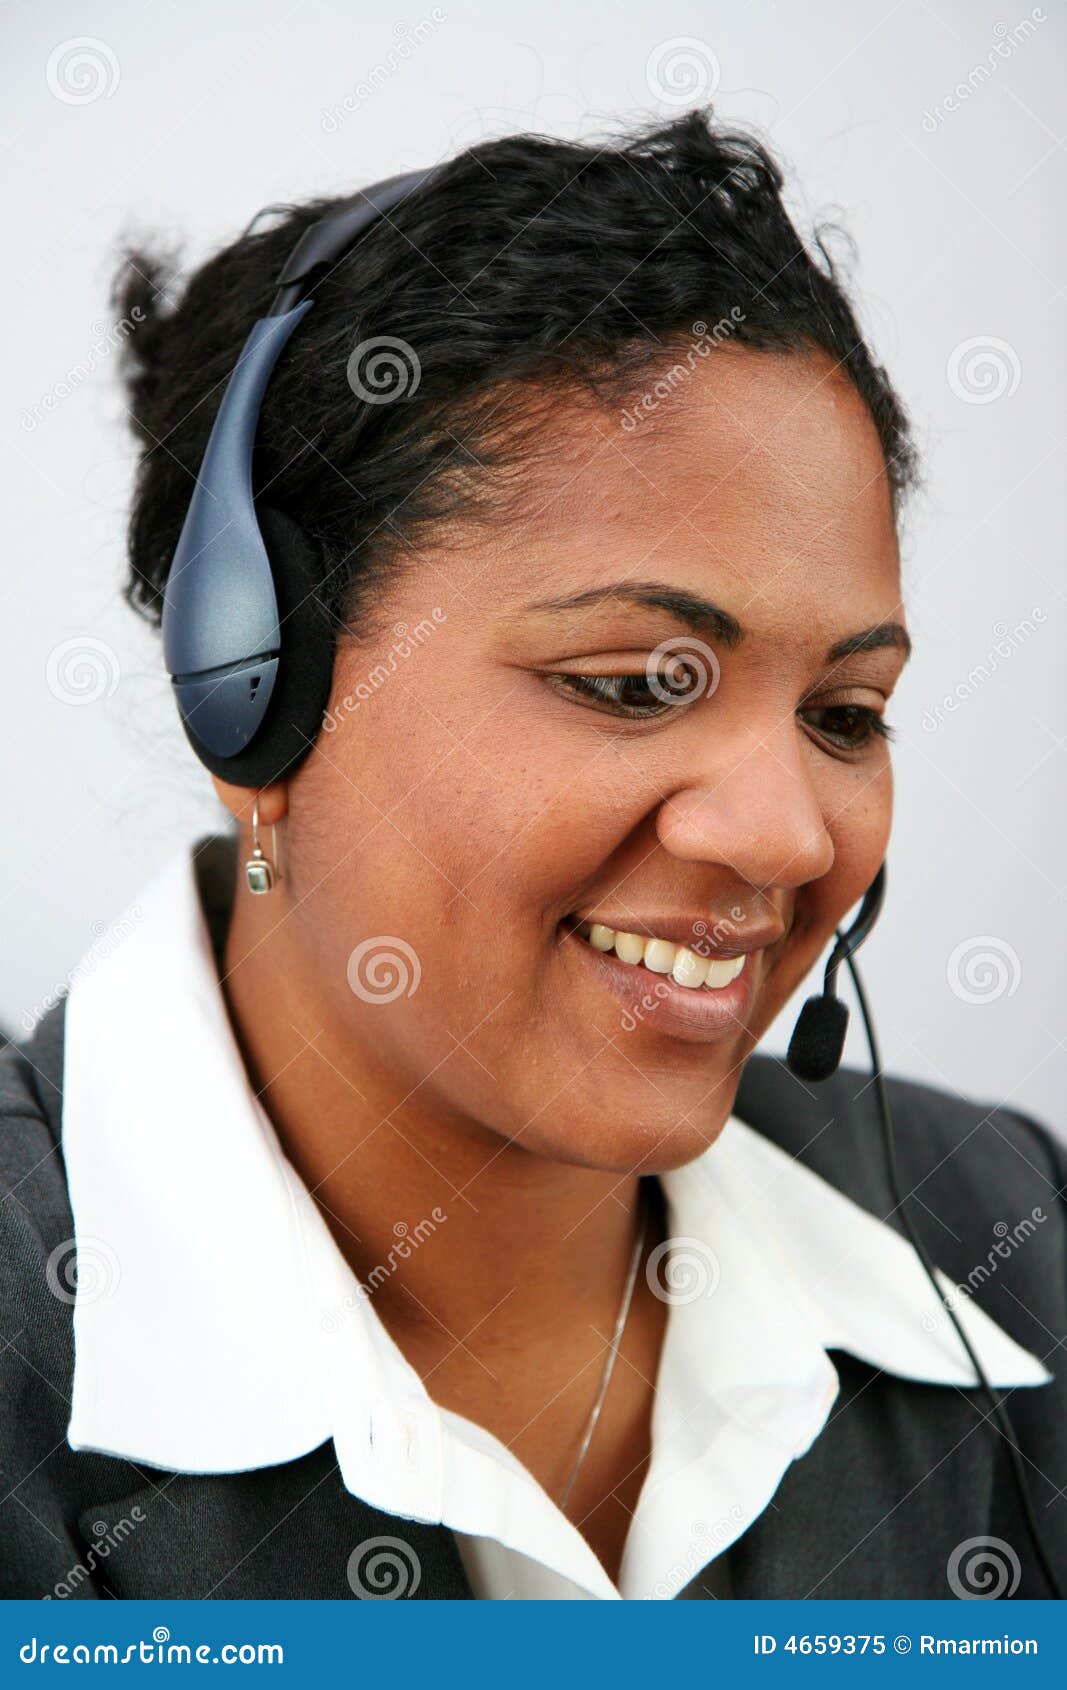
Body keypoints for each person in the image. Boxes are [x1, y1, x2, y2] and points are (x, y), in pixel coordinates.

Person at [1, 111, 1063, 1601]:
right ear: (255, 686)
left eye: (843, 712)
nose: (787, 831)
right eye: (635, 682)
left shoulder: (1011, 1233)